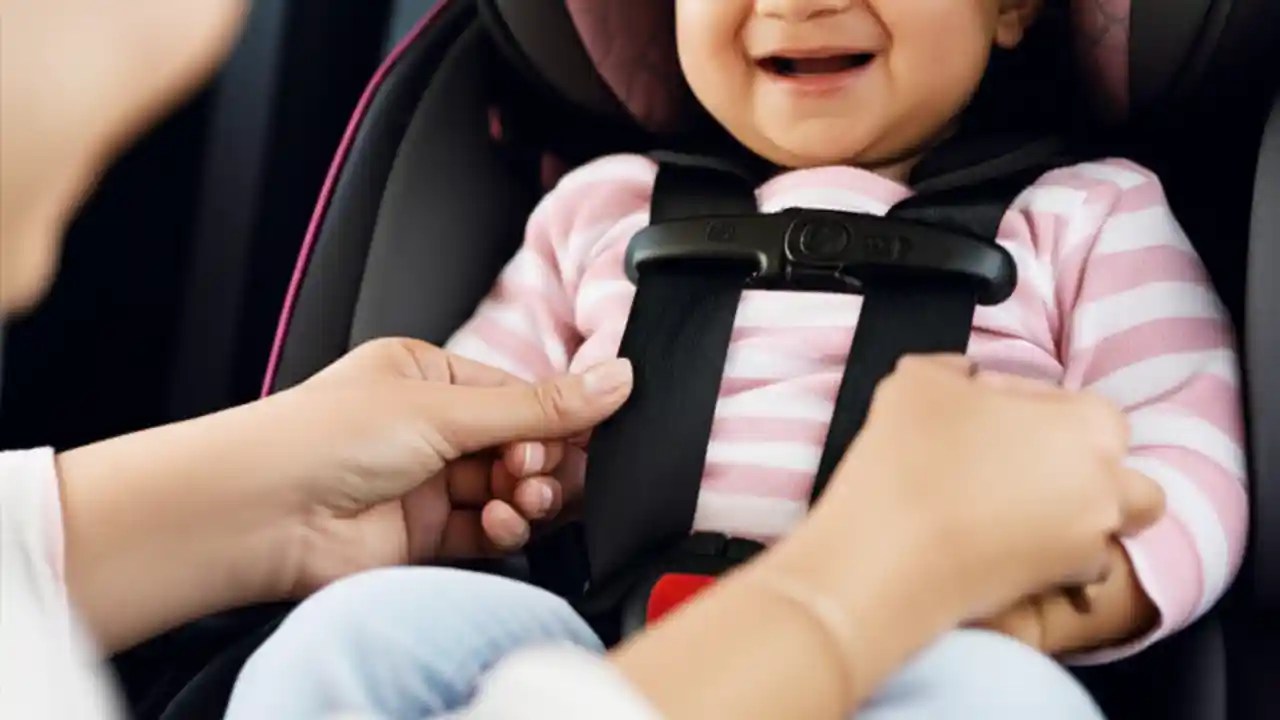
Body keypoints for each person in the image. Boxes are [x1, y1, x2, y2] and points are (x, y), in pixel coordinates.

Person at [0, 0, 1183, 718]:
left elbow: (1180, 450)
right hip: (588, 631)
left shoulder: (1084, 216)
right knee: (346, 639)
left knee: (1008, 707)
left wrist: (1055, 605)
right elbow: (480, 399)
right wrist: (524, 458)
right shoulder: (604, 211)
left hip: (935, 646)